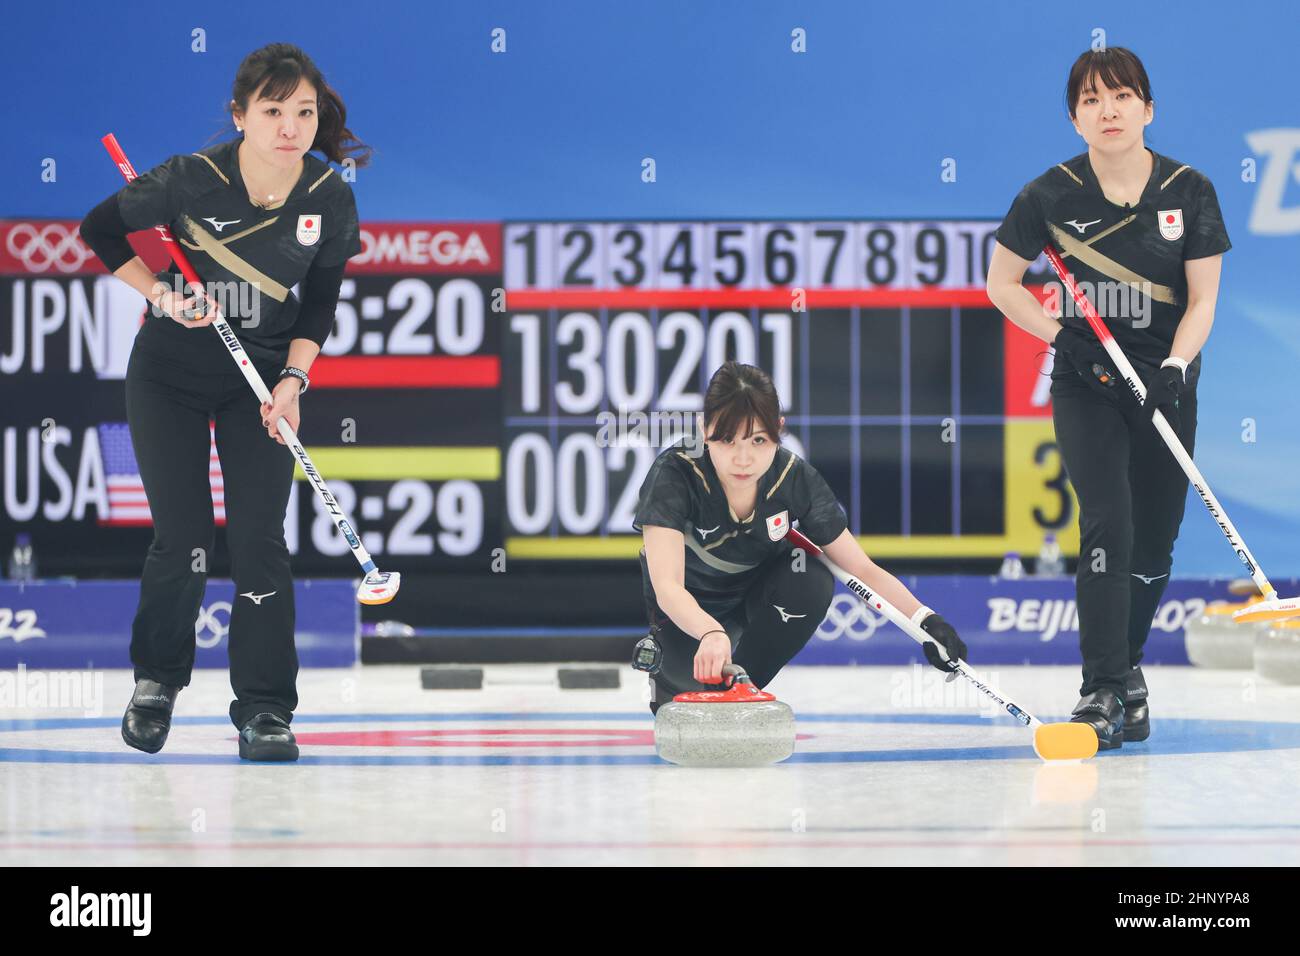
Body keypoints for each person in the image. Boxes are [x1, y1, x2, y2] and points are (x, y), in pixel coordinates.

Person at [78, 42, 368, 760]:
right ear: (241, 115)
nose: (289, 127)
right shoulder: (188, 180)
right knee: (186, 537)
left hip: (261, 381)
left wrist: (293, 384)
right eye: (273, 111)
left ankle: (265, 709)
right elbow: (100, 229)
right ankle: (157, 683)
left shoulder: (327, 196)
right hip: (170, 373)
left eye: (303, 111)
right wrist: (160, 293)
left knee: (261, 540)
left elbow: (320, 303)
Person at [986, 47, 1230, 749]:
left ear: (1148, 109)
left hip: (1166, 383)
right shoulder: (1049, 195)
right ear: (1075, 119)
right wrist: (1064, 337)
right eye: (1091, 100)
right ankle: (1100, 689)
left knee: (1155, 541)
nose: (1108, 110)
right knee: (1108, 527)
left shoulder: (1191, 190)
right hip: (1088, 382)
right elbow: (1002, 284)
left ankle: (1127, 674)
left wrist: (1178, 365)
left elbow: (1205, 298)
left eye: (1121, 96)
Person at [633, 361, 967, 712]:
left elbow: (862, 570)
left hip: (752, 605)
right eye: (727, 439)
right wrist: (710, 632)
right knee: (674, 711)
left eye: (758, 440)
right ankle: (692, 681)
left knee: (810, 578)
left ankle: (735, 695)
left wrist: (926, 622)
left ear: (779, 430)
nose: (743, 458)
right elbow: (667, 586)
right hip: (688, 616)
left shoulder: (795, 479)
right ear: (704, 430)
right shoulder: (674, 474)